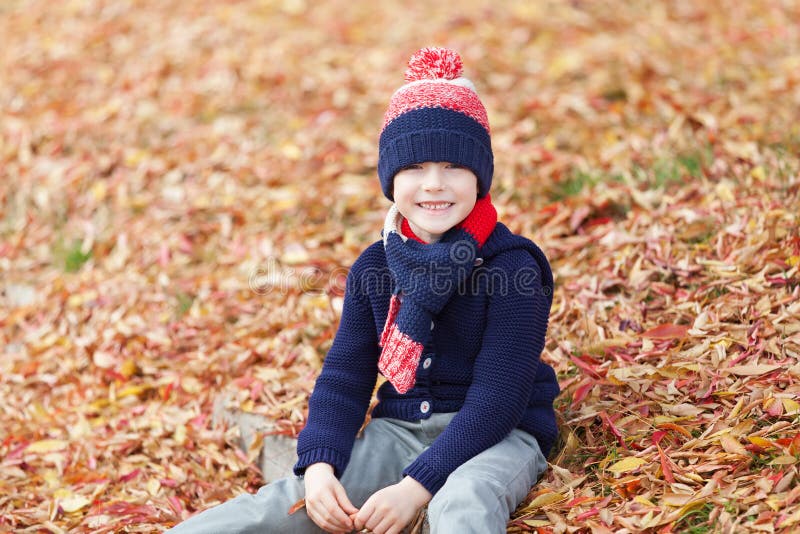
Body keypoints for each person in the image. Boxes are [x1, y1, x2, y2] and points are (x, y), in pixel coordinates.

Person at [168, 46, 559, 534]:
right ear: (389, 179)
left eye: (453, 168)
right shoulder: (377, 265)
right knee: (281, 508)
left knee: (461, 502)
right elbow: (344, 376)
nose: (434, 184)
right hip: (400, 431)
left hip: (497, 436)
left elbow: (499, 398)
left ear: (479, 177)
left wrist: (415, 489)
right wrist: (318, 469)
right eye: (414, 168)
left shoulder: (513, 268)